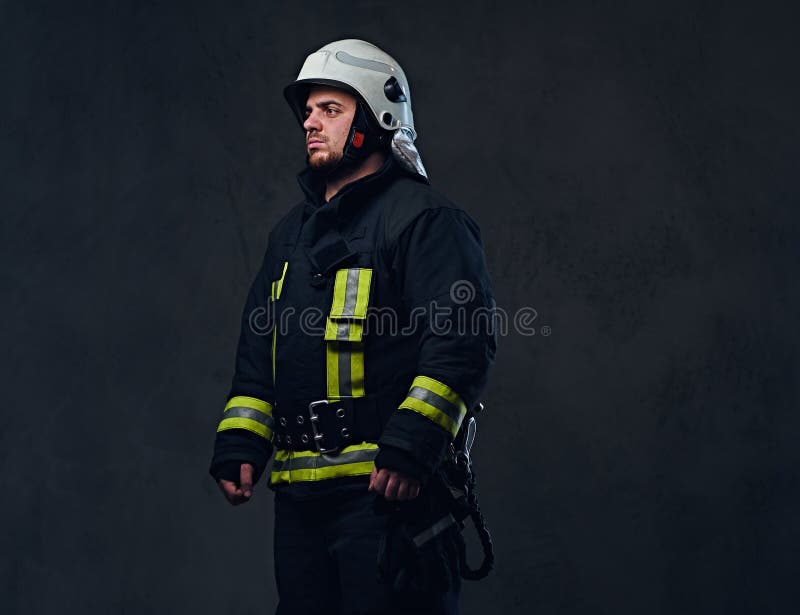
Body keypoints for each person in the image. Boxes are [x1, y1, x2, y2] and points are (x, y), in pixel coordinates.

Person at [208, 39, 496, 615]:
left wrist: (412, 446)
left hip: (386, 499)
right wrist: (242, 440)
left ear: (375, 121)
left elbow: (460, 342)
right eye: (308, 111)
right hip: (300, 505)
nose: (309, 122)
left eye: (330, 109)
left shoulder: (425, 221)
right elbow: (260, 348)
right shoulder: (290, 236)